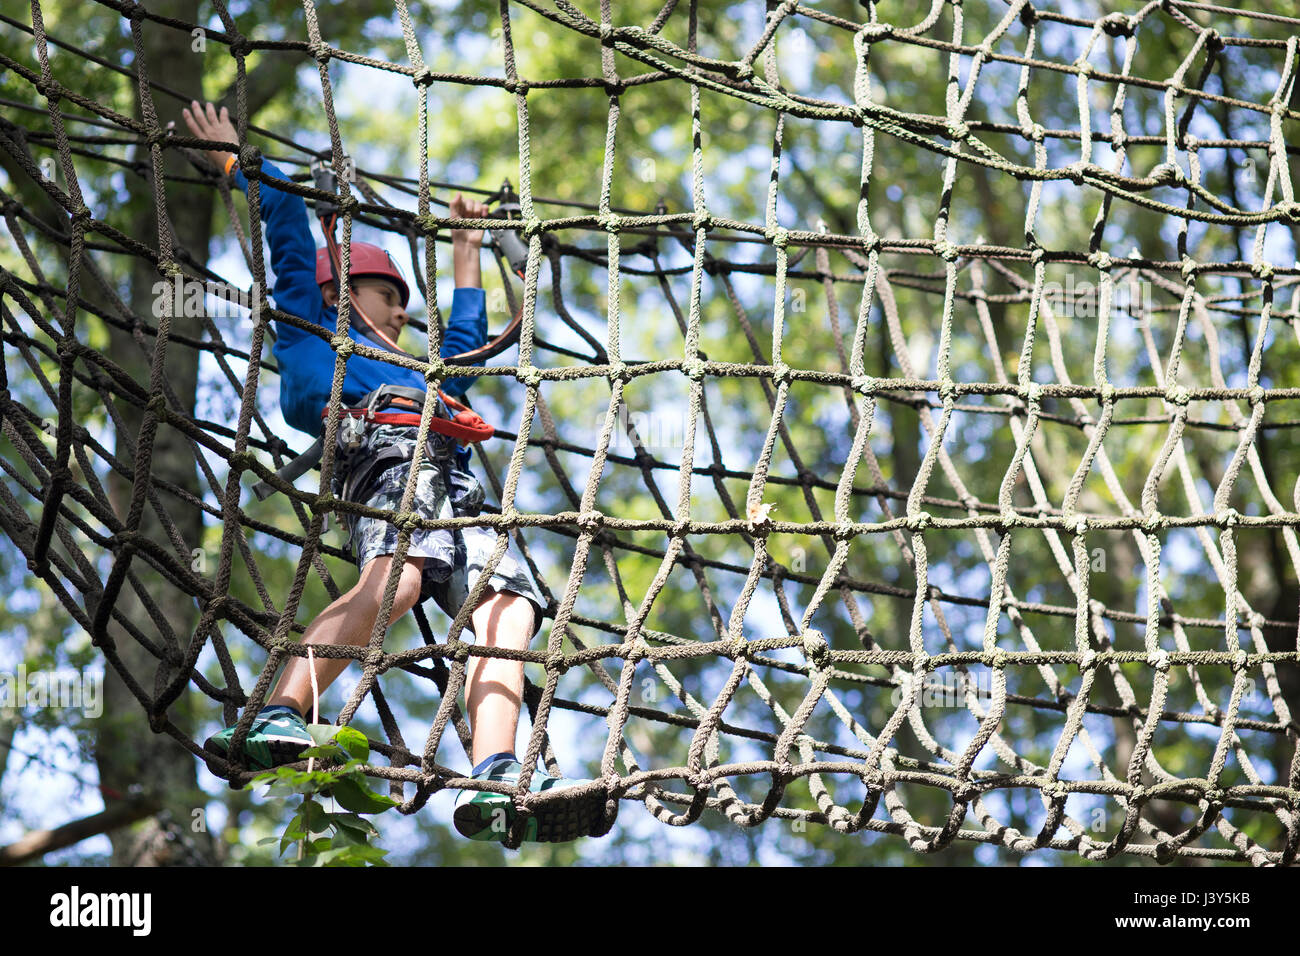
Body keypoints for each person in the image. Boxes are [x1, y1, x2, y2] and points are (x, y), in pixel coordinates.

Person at [181, 101, 606, 844]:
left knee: (510, 609)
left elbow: (468, 344)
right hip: (381, 462)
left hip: (457, 485)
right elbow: (285, 224)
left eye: (406, 305)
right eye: (389, 297)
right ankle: (279, 710)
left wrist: (468, 250)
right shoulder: (314, 332)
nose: (402, 315)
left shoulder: (422, 368)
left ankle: (498, 771)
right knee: (398, 577)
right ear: (339, 291)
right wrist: (232, 158)